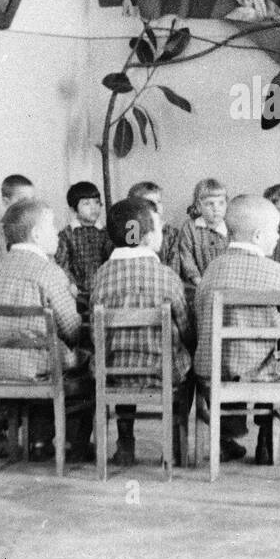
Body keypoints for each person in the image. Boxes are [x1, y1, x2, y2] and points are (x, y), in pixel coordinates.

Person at [194, 195, 280, 466]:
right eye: (275, 231)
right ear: (257, 236)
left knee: (220, 366)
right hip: (266, 375)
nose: (277, 238)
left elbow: (198, 314)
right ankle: (267, 437)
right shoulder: (275, 272)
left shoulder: (211, 270)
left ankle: (225, 439)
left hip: (215, 373)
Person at [0, 198, 93, 461]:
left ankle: (39, 441)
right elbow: (71, 328)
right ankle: (71, 446)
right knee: (89, 364)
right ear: (35, 234)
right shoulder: (50, 271)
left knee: (49, 356)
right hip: (42, 367)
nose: (56, 232)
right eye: (52, 225)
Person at [90, 196, 193, 468]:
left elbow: (94, 333)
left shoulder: (101, 275)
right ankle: (173, 447)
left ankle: (125, 443)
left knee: (121, 355)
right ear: (146, 237)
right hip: (162, 374)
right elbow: (184, 327)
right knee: (190, 364)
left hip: (111, 373)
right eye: (159, 228)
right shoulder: (167, 276)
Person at [55, 180, 112, 315]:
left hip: (102, 291)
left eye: (97, 203)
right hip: (76, 292)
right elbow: (62, 264)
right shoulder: (66, 235)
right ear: (73, 209)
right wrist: (70, 283)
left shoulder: (106, 233)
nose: (94, 208)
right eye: (86, 203)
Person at [175, 178, 229, 306]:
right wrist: (199, 282)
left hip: (227, 285)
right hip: (198, 285)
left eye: (221, 203)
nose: (216, 209)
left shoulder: (230, 227)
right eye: (210, 204)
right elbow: (186, 258)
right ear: (199, 206)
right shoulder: (190, 228)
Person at [129, 180, 178, 268]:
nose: (157, 207)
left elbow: (174, 266)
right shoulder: (131, 232)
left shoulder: (171, 233)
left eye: (159, 202)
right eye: (150, 203)